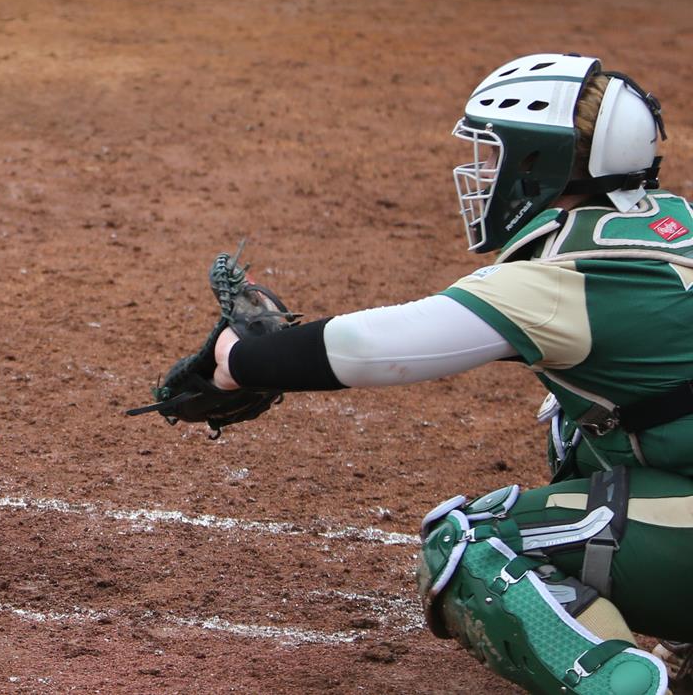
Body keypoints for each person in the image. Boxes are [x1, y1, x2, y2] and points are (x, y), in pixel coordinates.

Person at [145, 53, 689, 694]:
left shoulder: (567, 277)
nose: (484, 173)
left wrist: (237, 362)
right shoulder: (667, 226)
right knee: (580, 431)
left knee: (477, 548)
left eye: (498, 154)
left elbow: (373, 347)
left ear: (541, 163)